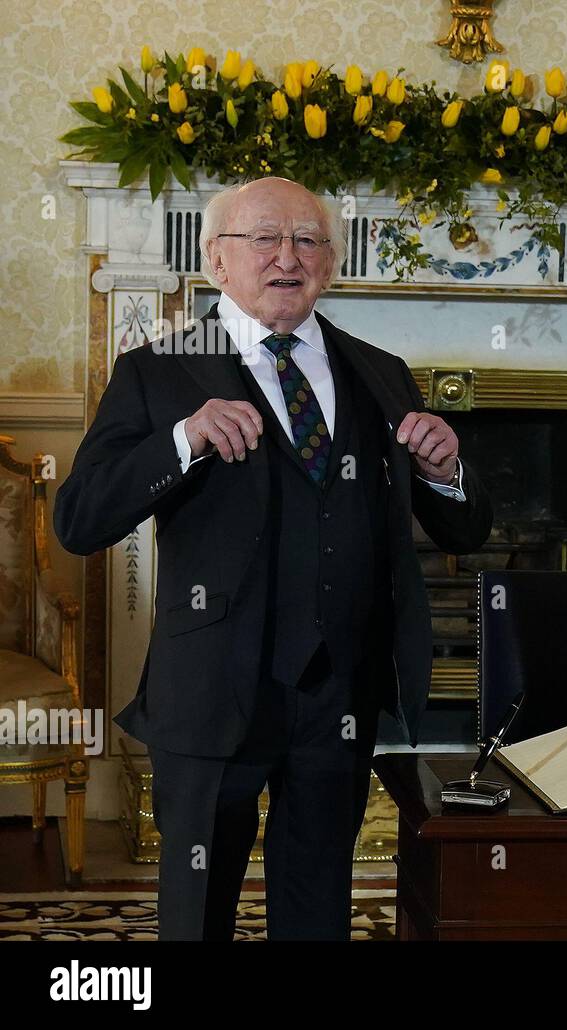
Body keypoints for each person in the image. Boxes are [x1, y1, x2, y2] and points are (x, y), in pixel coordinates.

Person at [54, 176, 493, 940]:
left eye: (308, 241)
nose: (287, 257)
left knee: (317, 906)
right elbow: (79, 520)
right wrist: (183, 441)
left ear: (329, 263)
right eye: (264, 239)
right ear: (217, 260)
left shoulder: (379, 370)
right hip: (212, 689)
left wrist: (446, 473)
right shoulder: (158, 370)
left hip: (338, 694)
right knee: (196, 917)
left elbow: (463, 532)